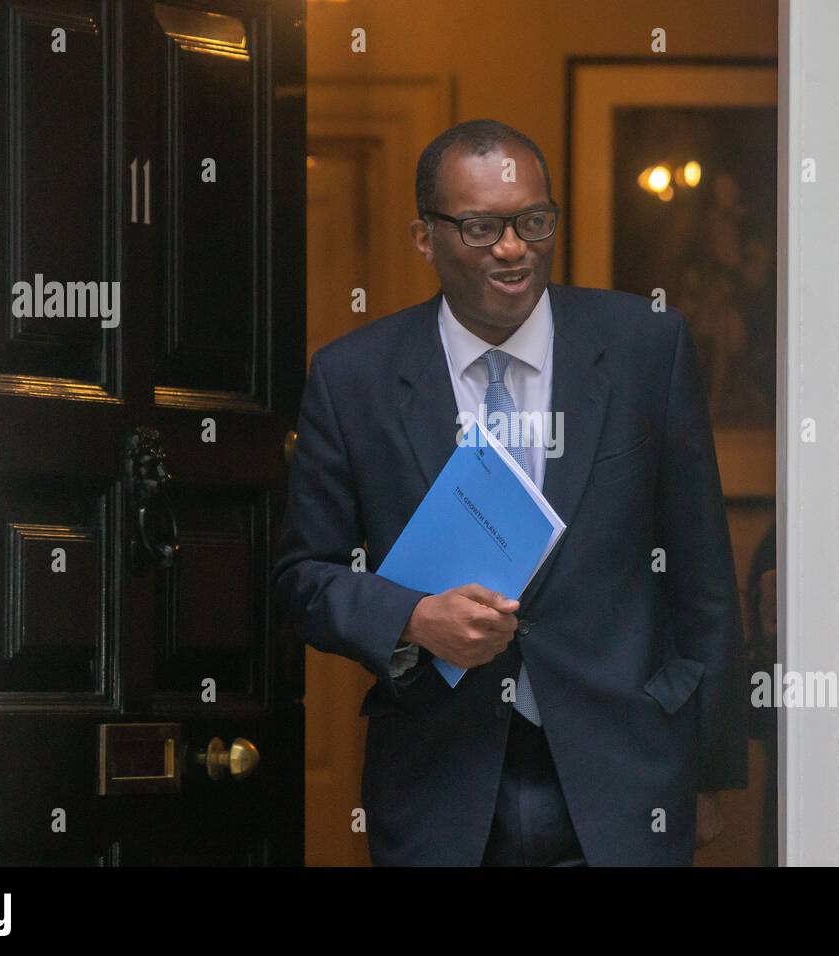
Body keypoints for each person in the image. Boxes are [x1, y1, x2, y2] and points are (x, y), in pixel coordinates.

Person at [273, 119, 748, 866]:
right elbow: (305, 578)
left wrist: (712, 768)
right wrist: (414, 617)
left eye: (533, 221)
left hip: (625, 766)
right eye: (482, 226)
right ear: (424, 237)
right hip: (442, 779)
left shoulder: (645, 346)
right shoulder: (352, 378)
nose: (513, 247)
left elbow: (703, 572)